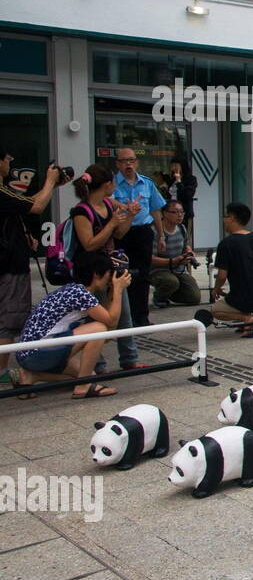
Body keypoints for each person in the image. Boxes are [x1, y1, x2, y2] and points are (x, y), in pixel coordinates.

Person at [14, 251, 130, 399]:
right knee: (97, 330)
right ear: (96, 274)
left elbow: (107, 326)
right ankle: (83, 387)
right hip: (35, 353)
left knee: (89, 374)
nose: (110, 278)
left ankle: (31, 376)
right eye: (109, 273)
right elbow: (110, 322)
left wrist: (112, 292)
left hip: (30, 352)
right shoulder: (80, 294)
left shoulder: (75, 290)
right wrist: (119, 290)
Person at [0, 154, 63, 389]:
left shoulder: (6, 192)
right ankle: (2, 371)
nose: (10, 164)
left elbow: (26, 204)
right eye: (6, 160)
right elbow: (36, 206)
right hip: (8, 266)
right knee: (8, 316)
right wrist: (49, 181)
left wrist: (52, 184)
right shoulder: (1, 191)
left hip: (9, 261)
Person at [70, 165, 142, 370]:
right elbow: (89, 244)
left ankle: (130, 359)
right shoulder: (81, 211)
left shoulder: (109, 204)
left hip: (112, 267)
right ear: (106, 184)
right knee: (96, 318)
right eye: (112, 182)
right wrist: (111, 224)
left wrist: (130, 216)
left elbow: (119, 234)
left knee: (124, 314)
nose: (114, 186)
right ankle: (97, 364)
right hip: (91, 272)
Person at [113, 147, 167, 331]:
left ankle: (141, 316)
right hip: (122, 234)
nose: (128, 164)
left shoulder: (147, 183)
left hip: (143, 232)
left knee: (143, 275)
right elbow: (107, 202)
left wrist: (161, 235)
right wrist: (123, 206)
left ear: (136, 162)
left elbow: (155, 209)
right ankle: (124, 318)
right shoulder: (112, 184)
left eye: (131, 160)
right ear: (118, 164)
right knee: (122, 275)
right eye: (124, 161)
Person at [210, 202, 253, 337]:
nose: (224, 220)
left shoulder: (226, 244)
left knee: (215, 310)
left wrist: (216, 289)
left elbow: (221, 275)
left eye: (225, 216)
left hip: (243, 298)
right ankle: (248, 322)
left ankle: (247, 319)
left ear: (232, 218)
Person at [149, 201, 200, 308]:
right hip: (159, 270)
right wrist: (173, 261)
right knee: (171, 282)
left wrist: (189, 253)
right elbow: (150, 259)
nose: (180, 215)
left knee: (194, 298)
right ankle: (159, 298)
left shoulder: (182, 228)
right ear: (165, 214)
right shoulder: (155, 231)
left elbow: (186, 245)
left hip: (179, 269)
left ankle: (169, 293)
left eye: (182, 212)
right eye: (175, 212)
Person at [165, 158, 198, 237]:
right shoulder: (172, 179)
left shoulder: (191, 179)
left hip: (184, 213)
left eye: (176, 165)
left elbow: (187, 195)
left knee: (184, 236)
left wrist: (179, 181)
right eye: (172, 166)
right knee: (171, 235)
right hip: (171, 212)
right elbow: (171, 195)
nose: (174, 168)